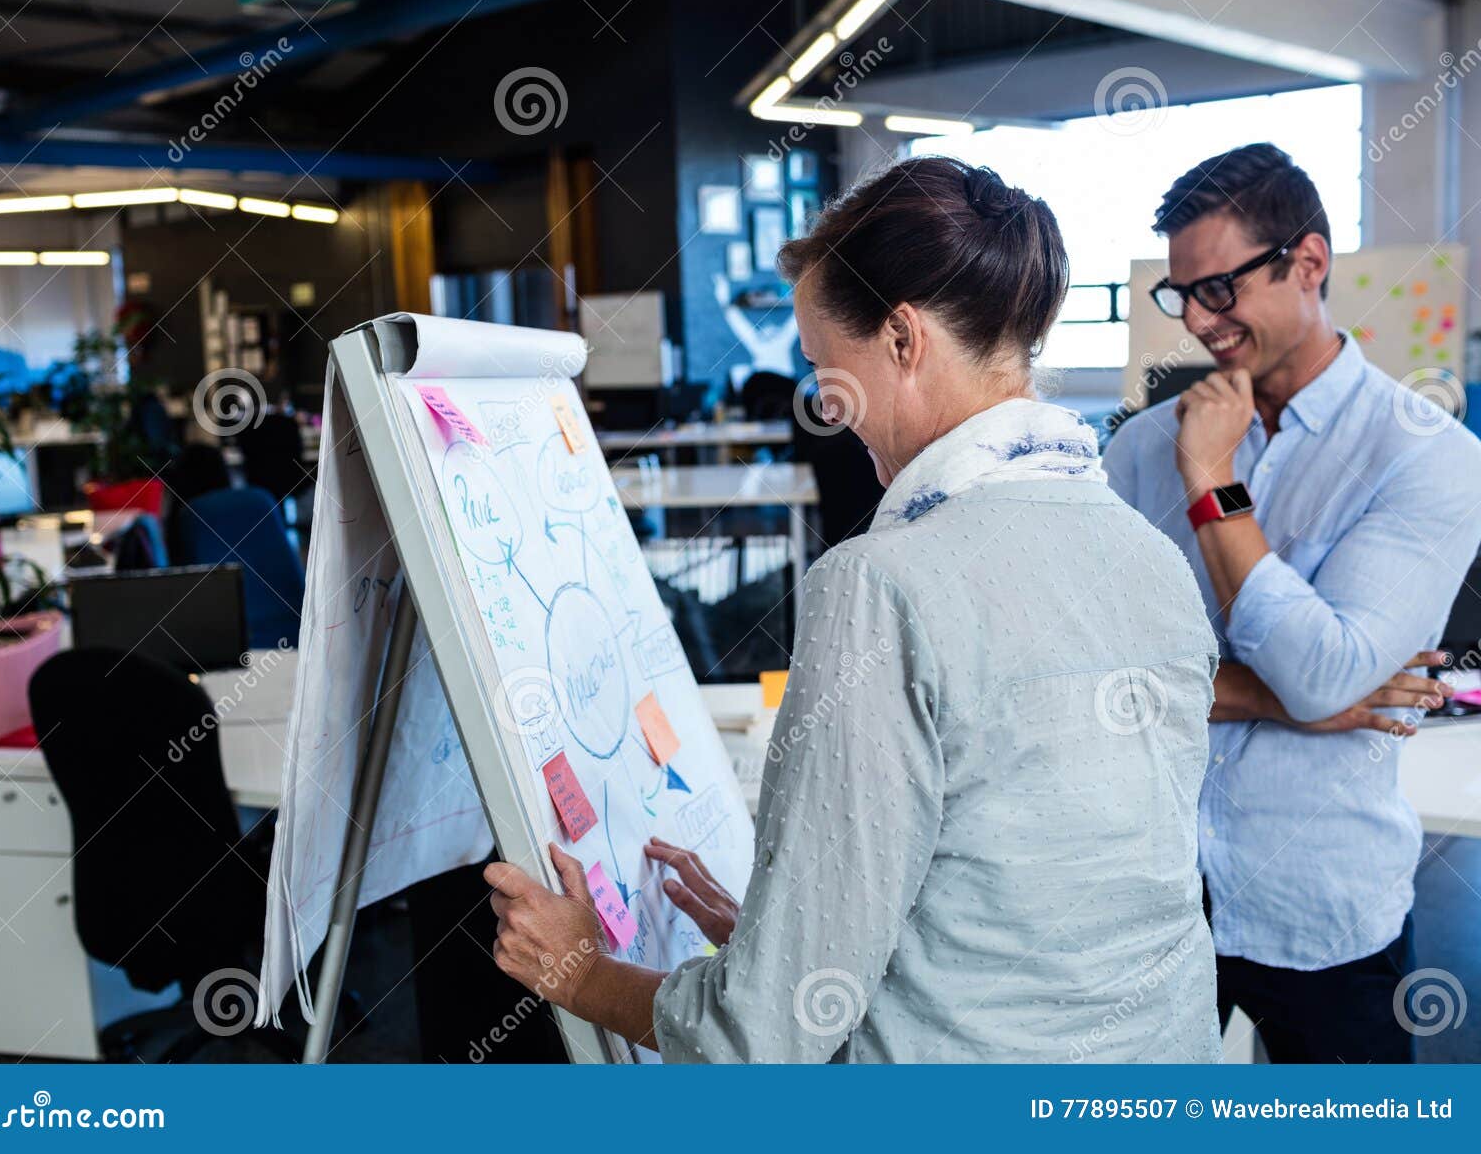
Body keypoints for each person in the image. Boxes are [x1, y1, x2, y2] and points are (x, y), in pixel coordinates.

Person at [485, 156, 1222, 1063]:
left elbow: (761, 1035)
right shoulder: (1149, 554)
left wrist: (576, 970)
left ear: (904, 340)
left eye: (824, 368)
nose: (827, 407)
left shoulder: (881, 584)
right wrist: (787, 934)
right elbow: (1031, 881)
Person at [1104, 143, 1481, 1062]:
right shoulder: (1136, 448)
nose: (1197, 319)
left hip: (1321, 904)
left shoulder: (1427, 454)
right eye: (1180, 292)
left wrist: (1211, 480)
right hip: (1149, 894)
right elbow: (1096, 673)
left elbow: (1321, 672)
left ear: (1307, 263)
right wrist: (1288, 700)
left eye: (1220, 289)